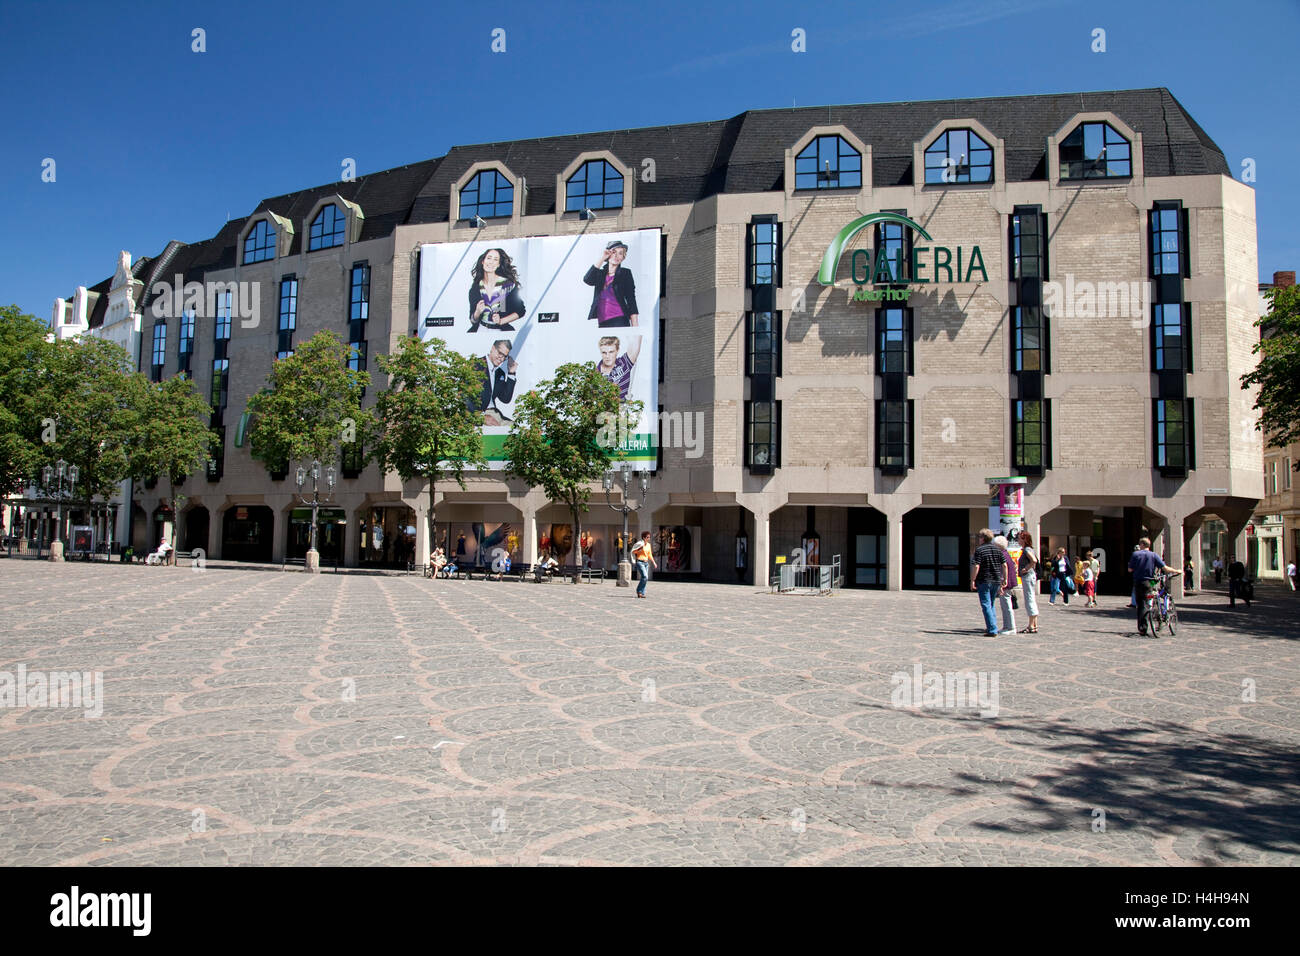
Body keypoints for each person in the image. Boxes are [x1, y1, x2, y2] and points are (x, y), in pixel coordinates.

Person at [1129, 538, 1180, 636]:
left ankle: (1143, 628)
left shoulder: (1135, 555)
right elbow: (1165, 568)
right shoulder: (1153, 555)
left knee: (1141, 605)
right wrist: (1176, 571)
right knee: (1150, 599)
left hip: (1139, 581)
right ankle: (1158, 615)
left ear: (1142, 544)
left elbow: (1130, 569)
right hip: (1150, 582)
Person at [583, 240, 639, 328]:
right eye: (614, 252)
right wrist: (602, 258)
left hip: (620, 319)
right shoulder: (600, 274)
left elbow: (631, 299)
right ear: (608, 254)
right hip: (602, 320)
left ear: (623, 257)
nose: (616, 256)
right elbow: (587, 280)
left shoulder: (625, 273)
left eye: (620, 253)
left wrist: (635, 328)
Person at [468, 248, 525, 333]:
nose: (491, 262)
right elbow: (473, 320)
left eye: (495, 259)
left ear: (498, 264)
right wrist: (477, 312)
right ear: (483, 261)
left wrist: (501, 321)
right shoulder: (476, 287)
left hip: (501, 332)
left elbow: (520, 311)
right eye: (489, 258)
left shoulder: (506, 284)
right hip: (481, 330)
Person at [970, 529, 1010, 636]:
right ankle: (992, 626)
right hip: (996, 580)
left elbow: (976, 566)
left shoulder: (980, 550)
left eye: (980, 537)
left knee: (986, 604)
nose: (979, 539)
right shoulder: (998, 550)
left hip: (984, 580)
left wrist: (973, 579)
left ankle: (992, 629)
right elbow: (1005, 565)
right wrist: (1004, 579)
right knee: (991, 604)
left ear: (983, 538)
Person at [472, 339, 518, 425]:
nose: (501, 358)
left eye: (505, 356)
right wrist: (480, 417)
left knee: (516, 430)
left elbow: (505, 398)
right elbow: (464, 396)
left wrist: (511, 373)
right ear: (492, 348)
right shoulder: (475, 365)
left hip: (495, 414)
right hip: (482, 415)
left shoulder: (499, 373)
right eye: (500, 353)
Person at [594, 335, 642, 401]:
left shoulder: (624, 363)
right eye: (604, 353)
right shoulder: (594, 375)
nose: (607, 356)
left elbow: (636, 339)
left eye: (611, 352)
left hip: (623, 408)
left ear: (617, 350)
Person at [1016, 531, 1041, 633]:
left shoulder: (1027, 550)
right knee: (1031, 599)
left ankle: (1031, 625)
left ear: (1024, 539)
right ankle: (1034, 624)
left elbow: (1033, 560)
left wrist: (1025, 569)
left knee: (1029, 599)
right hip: (1030, 577)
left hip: (1028, 577)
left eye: (1019, 538)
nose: (1018, 540)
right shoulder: (1028, 549)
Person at [993, 535, 1017, 635]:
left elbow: (1004, 568)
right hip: (1007, 582)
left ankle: (1011, 627)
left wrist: (1003, 581)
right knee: (1005, 605)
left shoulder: (1002, 555)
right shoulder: (1005, 553)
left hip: (1006, 583)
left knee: (1006, 605)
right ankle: (1007, 626)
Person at [631, 530, 656, 597]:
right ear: (644, 538)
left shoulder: (648, 545)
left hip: (646, 563)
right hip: (640, 562)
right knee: (645, 577)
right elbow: (633, 551)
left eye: (649, 537)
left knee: (644, 578)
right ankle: (639, 591)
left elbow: (650, 554)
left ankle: (641, 593)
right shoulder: (639, 544)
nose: (649, 538)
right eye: (648, 537)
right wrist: (639, 549)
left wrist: (654, 562)